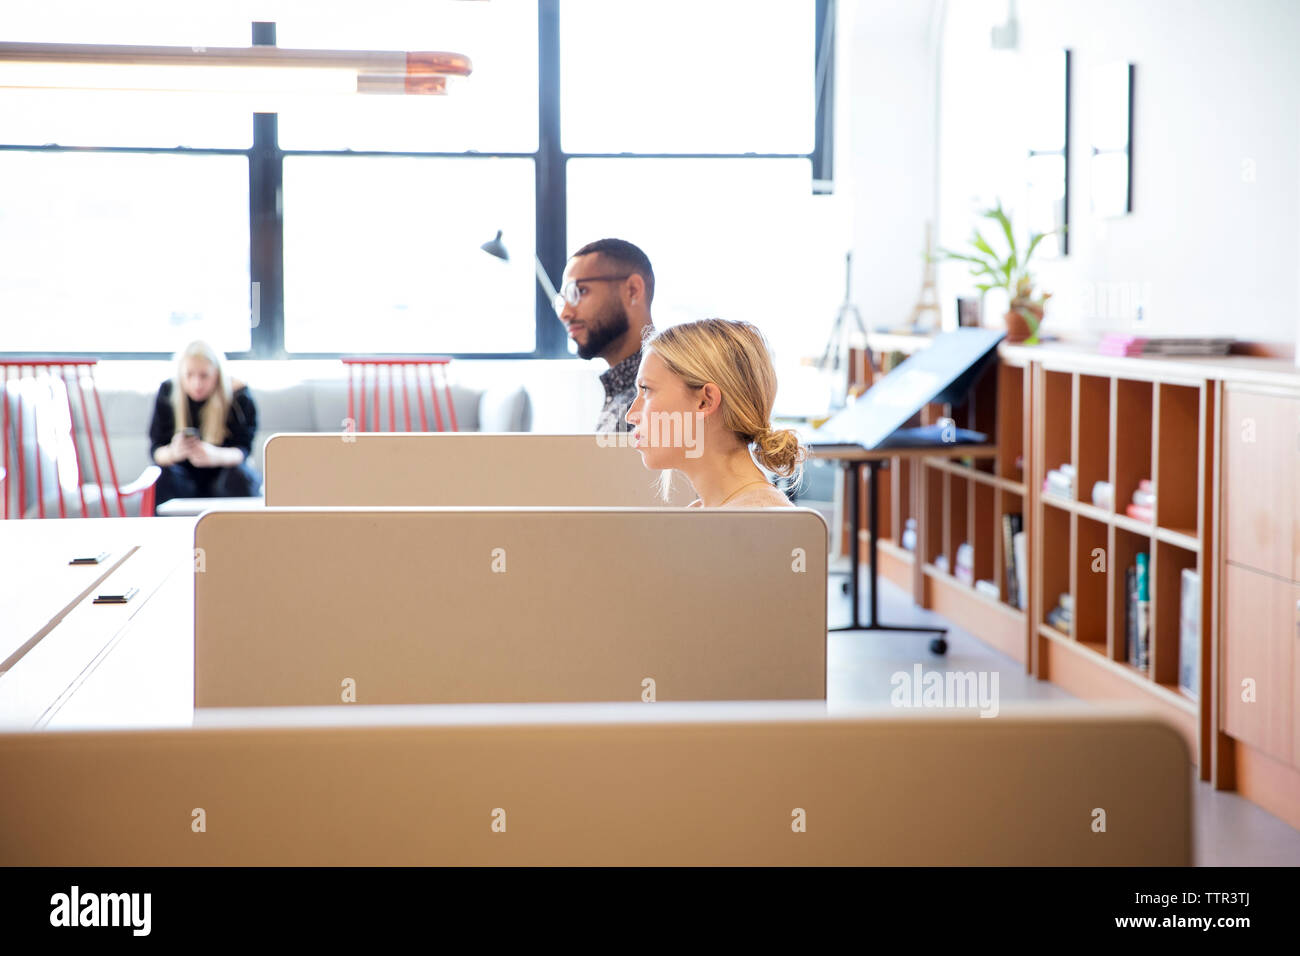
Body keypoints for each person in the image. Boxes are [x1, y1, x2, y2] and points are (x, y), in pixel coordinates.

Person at [625, 318, 806, 508]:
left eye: (646, 389)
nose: (631, 415)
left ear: (706, 401)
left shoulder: (758, 523)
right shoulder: (713, 512)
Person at [556, 238, 655, 433]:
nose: (564, 313)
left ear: (632, 290)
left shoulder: (667, 397)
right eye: (563, 300)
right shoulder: (621, 391)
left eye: (580, 291)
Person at [148, 340, 260, 506]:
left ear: (217, 374)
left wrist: (215, 455)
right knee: (163, 478)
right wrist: (174, 452)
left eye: (204, 375)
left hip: (223, 473)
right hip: (182, 477)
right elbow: (156, 451)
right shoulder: (167, 392)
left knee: (240, 477)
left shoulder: (239, 396)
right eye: (189, 375)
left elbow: (244, 450)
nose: (196, 384)